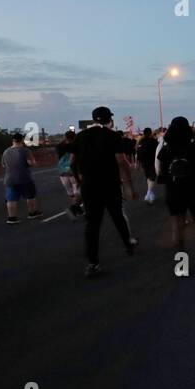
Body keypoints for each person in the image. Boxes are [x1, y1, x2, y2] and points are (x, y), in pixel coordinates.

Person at [73, 106, 138, 277]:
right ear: (110, 119)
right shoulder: (112, 136)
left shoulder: (80, 136)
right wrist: (129, 184)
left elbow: (73, 162)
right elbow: (121, 161)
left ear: (94, 119)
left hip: (89, 186)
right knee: (117, 216)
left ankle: (93, 262)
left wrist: (82, 180)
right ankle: (128, 244)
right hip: (109, 184)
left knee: (92, 224)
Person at [158, 116, 195, 256]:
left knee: (178, 225)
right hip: (193, 189)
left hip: (174, 192)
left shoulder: (166, 149)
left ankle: (181, 261)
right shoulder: (194, 147)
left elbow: (161, 171)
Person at [1, 131, 40, 223]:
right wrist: (34, 163)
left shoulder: (6, 151)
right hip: (24, 177)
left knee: (11, 199)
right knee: (30, 196)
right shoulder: (25, 150)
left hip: (9, 178)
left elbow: (3, 165)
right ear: (22, 140)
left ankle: (12, 218)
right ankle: (32, 213)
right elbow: (31, 163)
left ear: (13, 141)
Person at [55, 129, 84, 218]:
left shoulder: (59, 146)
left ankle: (76, 208)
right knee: (79, 189)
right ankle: (75, 207)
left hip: (62, 171)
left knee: (70, 191)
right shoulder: (75, 145)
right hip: (73, 170)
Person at [136, 127, 159, 203]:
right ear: (150, 133)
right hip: (152, 161)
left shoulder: (140, 141)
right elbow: (157, 152)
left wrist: (137, 164)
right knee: (152, 177)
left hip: (144, 162)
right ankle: (148, 193)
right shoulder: (154, 141)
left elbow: (138, 154)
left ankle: (151, 195)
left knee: (148, 177)